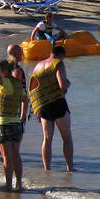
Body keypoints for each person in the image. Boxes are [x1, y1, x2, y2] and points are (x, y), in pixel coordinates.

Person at [29, 44, 74, 172]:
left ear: (50, 53)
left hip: (43, 105)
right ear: (61, 55)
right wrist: (68, 83)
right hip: (57, 103)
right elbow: (62, 85)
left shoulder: (38, 66)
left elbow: (32, 88)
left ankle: (47, 169)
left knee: (47, 139)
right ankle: (70, 168)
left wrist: (36, 108)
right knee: (67, 137)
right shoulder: (58, 63)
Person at [0, 57, 28, 190]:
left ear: (4, 70)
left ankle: (8, 185)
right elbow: (25, 99)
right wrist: (22, 116)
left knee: (7, 156)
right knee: (15, 154)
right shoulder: (17, 83)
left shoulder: (4, 82)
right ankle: (18, 183)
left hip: (3, 123)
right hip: (15, 122)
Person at [0, 44, 27, 160]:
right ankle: (6, 167)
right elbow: (18, 92)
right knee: (14, 148)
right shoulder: (16, 71)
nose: (22, 53)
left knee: (3, 141)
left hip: (3, 112)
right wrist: (22, 114)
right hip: (14, 110)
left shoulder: (4, 69)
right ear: (16, 54)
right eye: (20, 51)